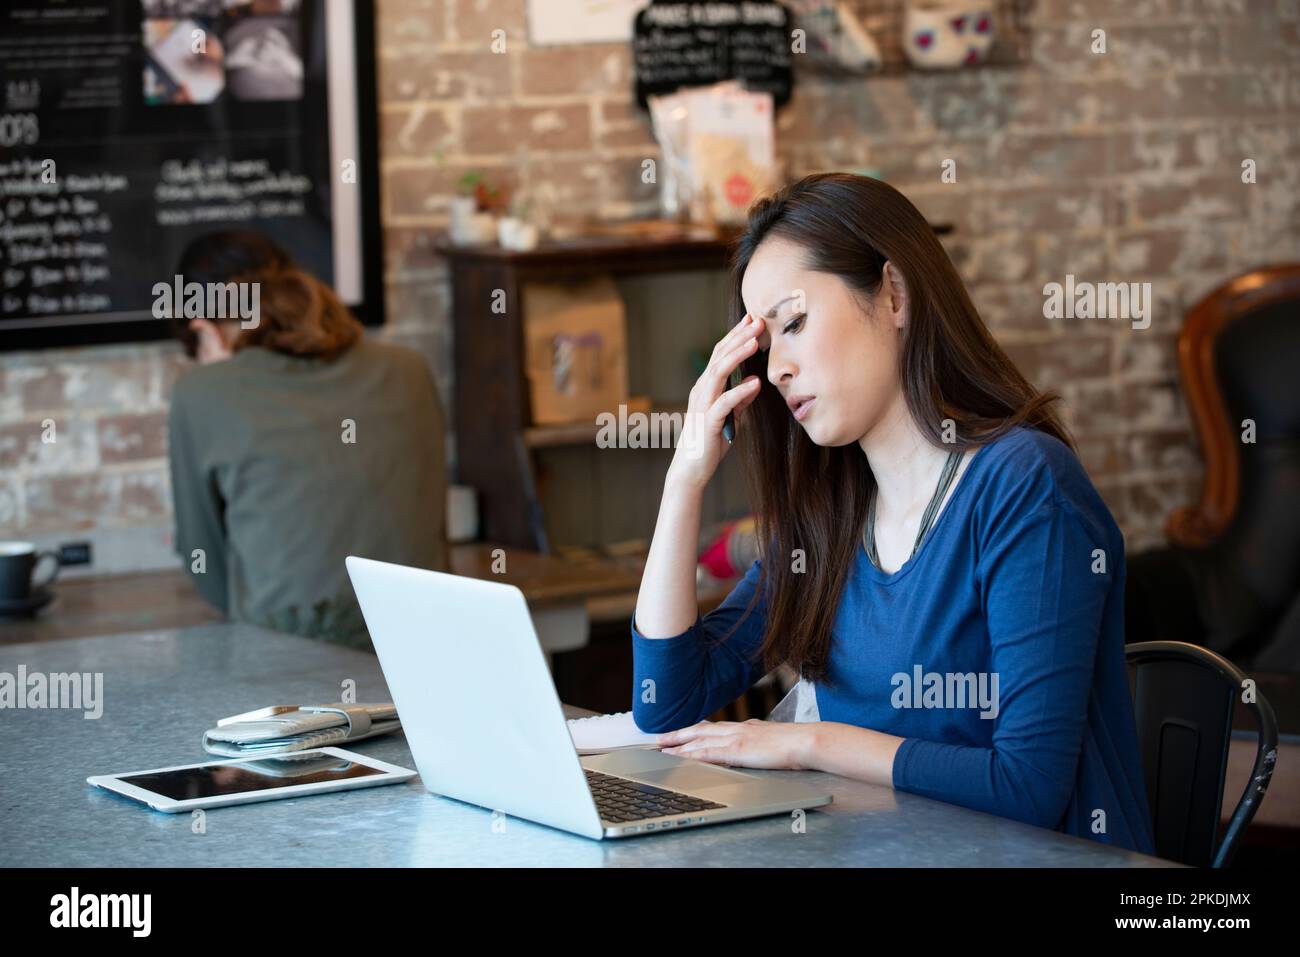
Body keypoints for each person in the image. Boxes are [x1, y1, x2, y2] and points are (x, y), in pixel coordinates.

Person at [631, 172, 1156, 854]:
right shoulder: (831, 517)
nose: (780, 367)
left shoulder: (1025, 486)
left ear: (895, 293)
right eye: (767, 347)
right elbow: (665, 701)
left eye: (794, 323)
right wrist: (683, 481)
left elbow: (1029, 785)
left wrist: (805, 744)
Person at [167, 230, 448, 649]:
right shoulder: (409, 369)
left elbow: (203, 562)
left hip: (285, 672)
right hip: (424, 650)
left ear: (205, 331)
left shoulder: (202, 393)